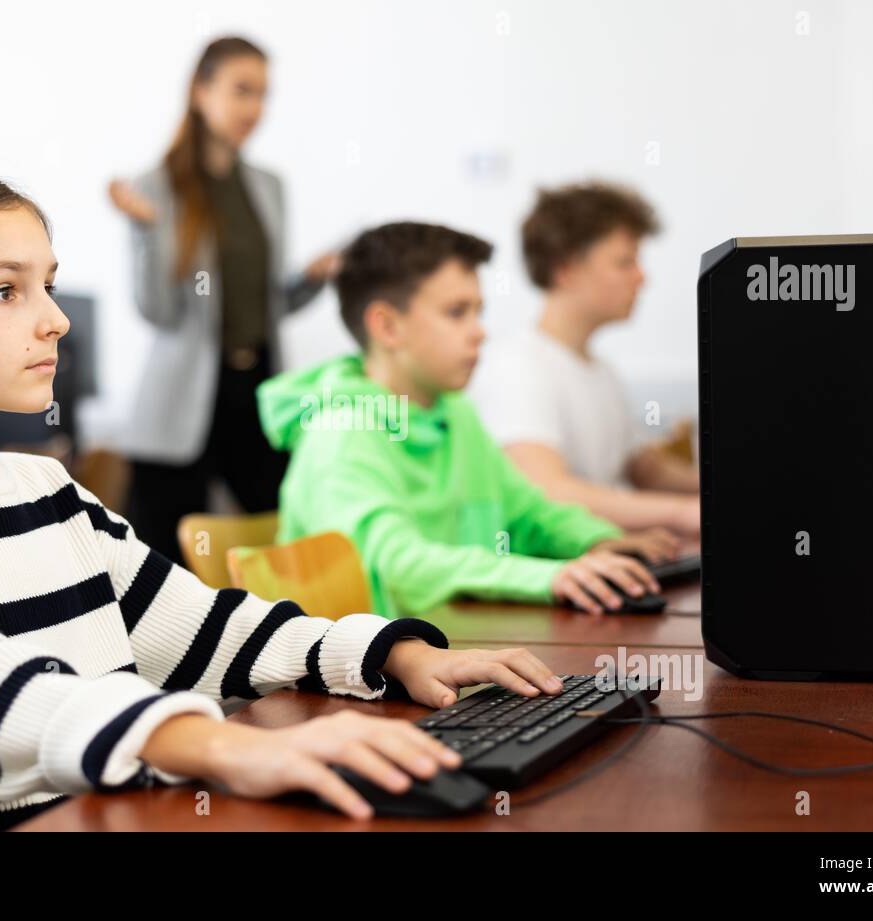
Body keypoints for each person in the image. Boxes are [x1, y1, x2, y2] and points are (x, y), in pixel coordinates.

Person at [0, 169, 568, 831]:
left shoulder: (44, 487)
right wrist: (212, 746)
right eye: (6, 291)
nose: (55, 320)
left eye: (49, 285)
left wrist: (388, 653)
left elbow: (205, 628)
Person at [257, 221, 671, 620]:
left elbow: (528, 513)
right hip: (369, 665)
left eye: (478, 312)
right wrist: (547, 576)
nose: (480, 332)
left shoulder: (454, 413)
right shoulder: (341, 434)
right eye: (457, 313)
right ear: (387, 326)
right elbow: (397, 566)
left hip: (460, 645)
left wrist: (598, 541)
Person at [108, 36, 337, 564]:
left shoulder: (268, 186)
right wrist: (144, 233)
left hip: (255, 385)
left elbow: (267, 306)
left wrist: (309, 279)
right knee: (161, 564)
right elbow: (158, 312)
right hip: (184, 400)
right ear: (200, 91)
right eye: (242, 90)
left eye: (263, 95)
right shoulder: (156, 187)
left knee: (286, 544)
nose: (254, 108)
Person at [469, 182, 700, 538]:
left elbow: (645, 470)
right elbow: (548, 490)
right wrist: (682, 513)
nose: (642, 277)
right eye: (625, 262)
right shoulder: (514, 366)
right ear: (566, 269)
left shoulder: (601, 370)